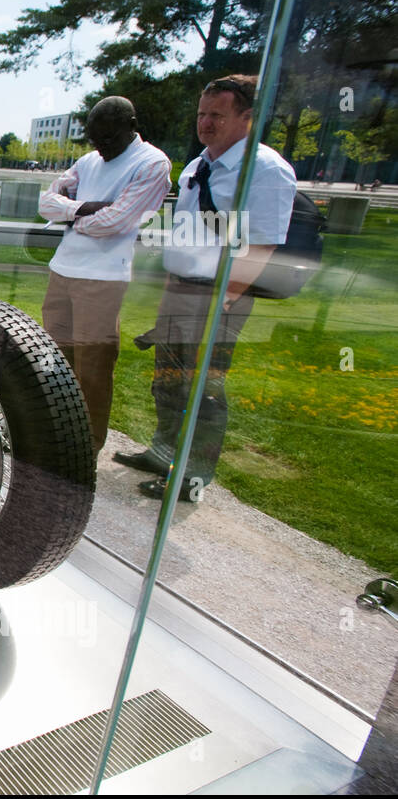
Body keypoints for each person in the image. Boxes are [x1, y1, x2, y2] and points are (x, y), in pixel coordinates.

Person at [114, 75, 296, 501]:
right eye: (202, 113)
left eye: (217, 114)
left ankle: (191, 477)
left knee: (203, 390)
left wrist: (226, 298)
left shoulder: (266, 170)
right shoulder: (198, 165)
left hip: (219, 295)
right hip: (182, 289)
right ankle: (163, 454)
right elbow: (189, 234)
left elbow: (263, 244)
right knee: (168, 380)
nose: (206, 123)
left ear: (247, 118)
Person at [37, 96, 171, 455]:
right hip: (62, 270)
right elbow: (45, 203)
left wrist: (70, 216)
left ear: (131, 125)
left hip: (103, 279)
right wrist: (84, 208)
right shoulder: (89, 159)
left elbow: (116, 222)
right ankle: (55, 438)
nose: (101, 147)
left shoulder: (152, 163)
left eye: (107, 139)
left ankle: (86, 447)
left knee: (92, 369)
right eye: (95, 139)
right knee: (54, 363)